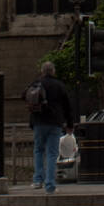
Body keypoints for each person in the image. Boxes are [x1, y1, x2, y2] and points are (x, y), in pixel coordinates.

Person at [24, 60, 74, 193]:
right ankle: (50, 185)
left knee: (38, 150)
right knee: (52, 153)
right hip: (55, 123)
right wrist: (70, 124)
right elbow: (68, 107)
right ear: (53, 71)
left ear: (42, 71)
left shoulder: (36, 83)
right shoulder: (59, 85)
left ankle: (37, 180)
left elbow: (23, 95)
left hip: (38, 121)